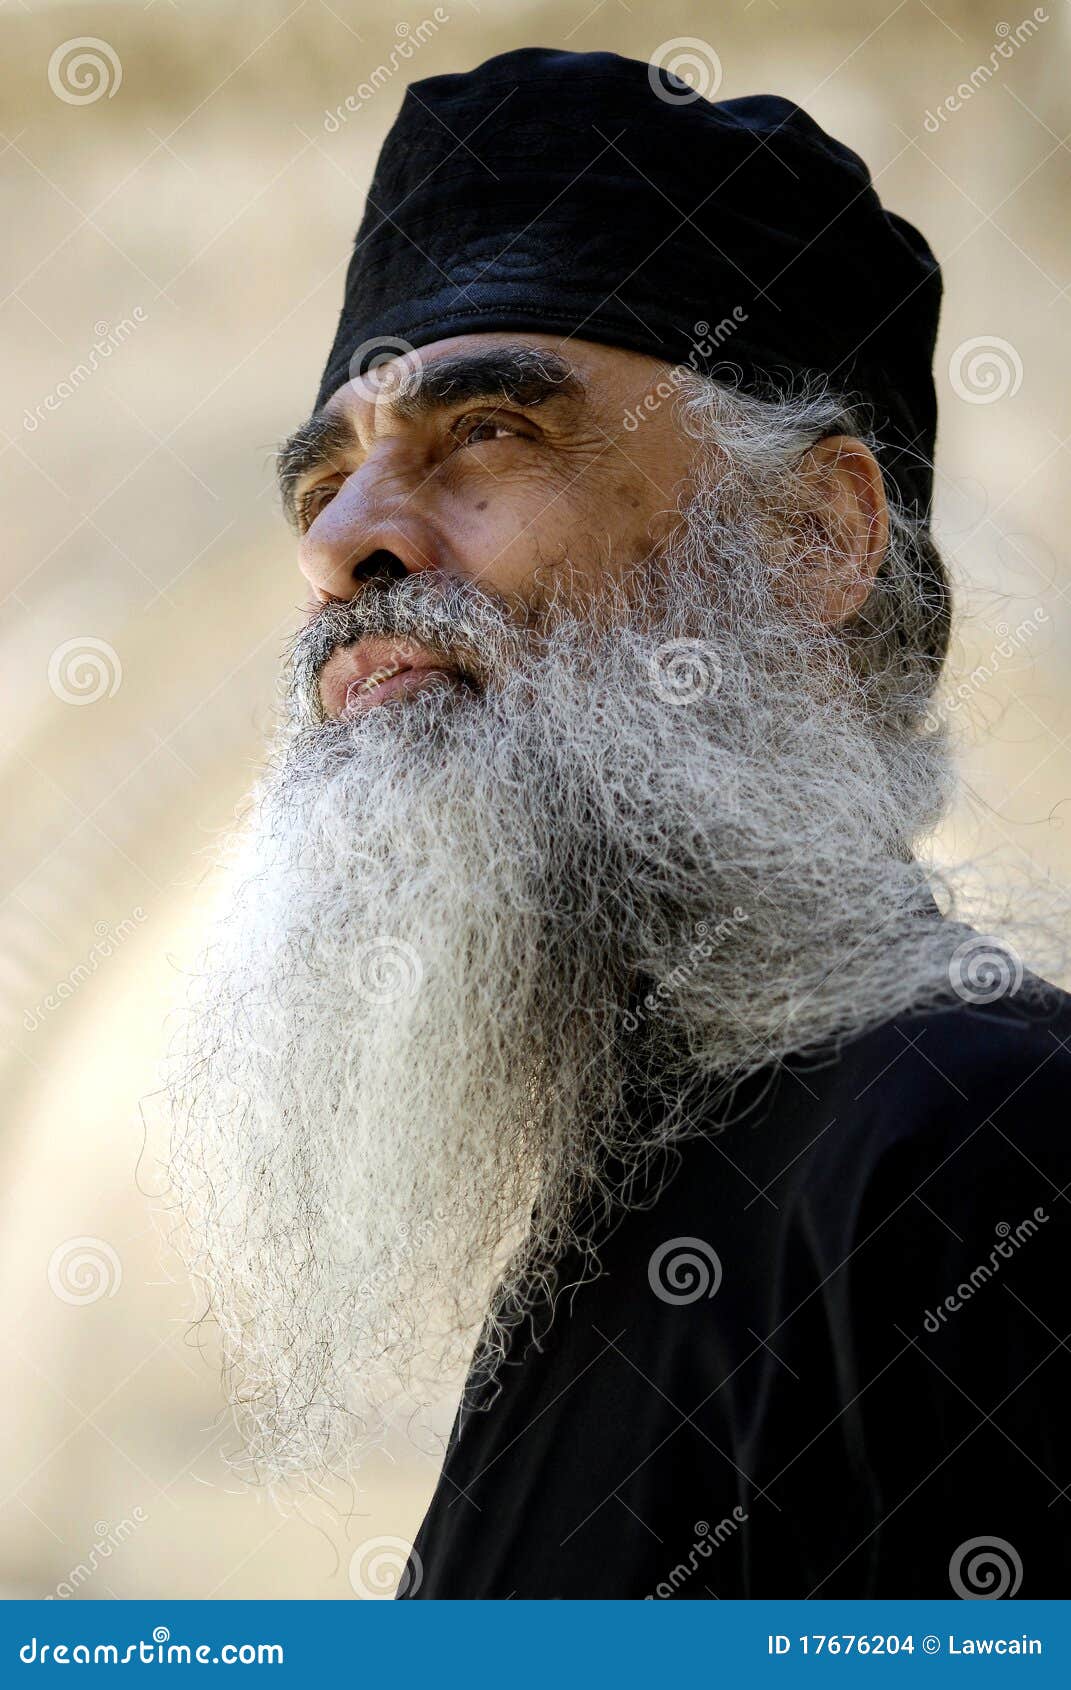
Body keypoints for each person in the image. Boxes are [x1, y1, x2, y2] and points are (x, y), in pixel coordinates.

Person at [167, 48, 1071, 1598]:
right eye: (327, 476)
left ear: (809, 539)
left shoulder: (981, 1142)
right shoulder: (630, 1201)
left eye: (489, 434)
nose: (342, 545)